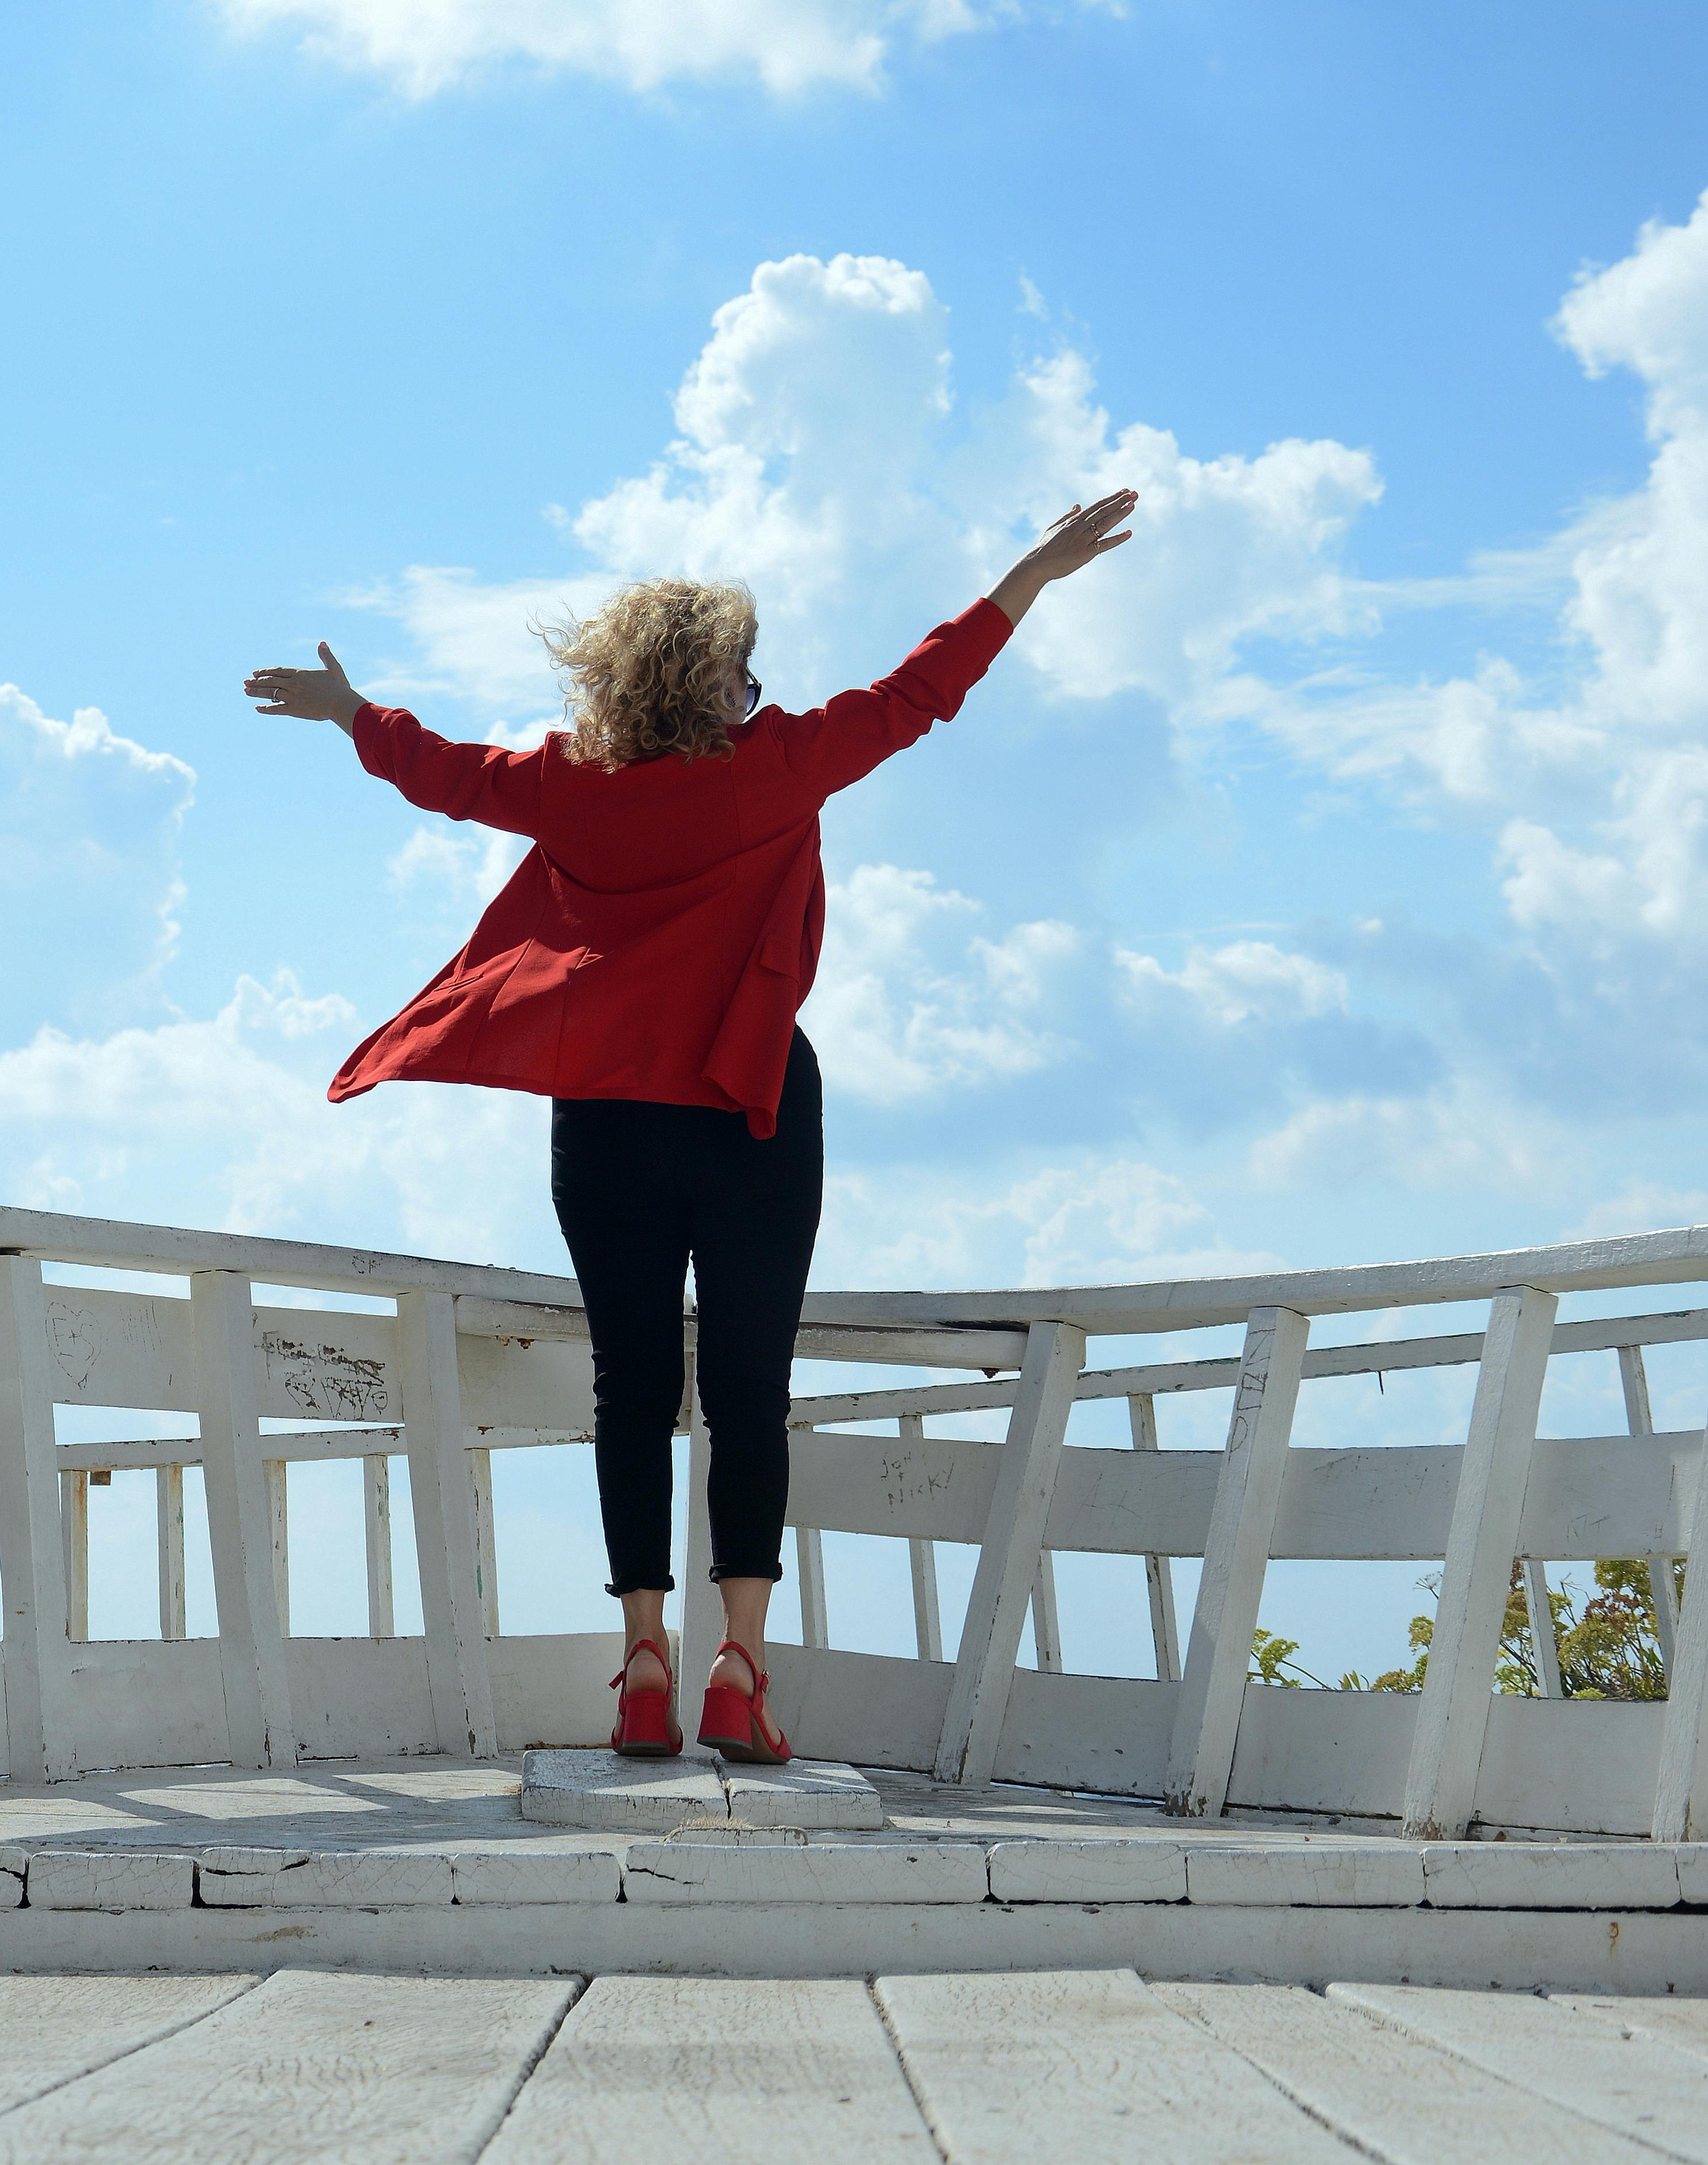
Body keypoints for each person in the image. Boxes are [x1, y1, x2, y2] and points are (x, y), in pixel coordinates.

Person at [245, 487, 1137, 1765]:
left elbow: (440, 775)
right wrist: (1028, 574)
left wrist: (351, 715)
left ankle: (640, 1665)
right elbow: (921, 690)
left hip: (605, 1118)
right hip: (753, 1108)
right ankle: (738, 1666)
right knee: (746, 1391)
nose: (759, 688)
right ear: (712, 688)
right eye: (745, 670)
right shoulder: (782, 766)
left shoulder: (570, 788)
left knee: (629, 1389)